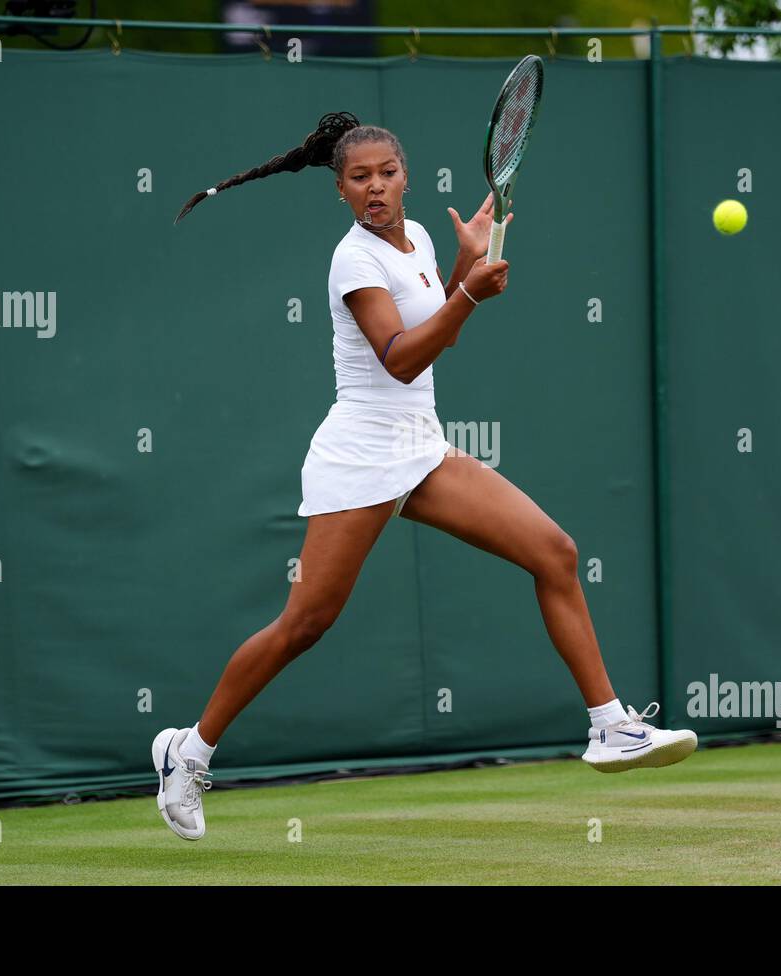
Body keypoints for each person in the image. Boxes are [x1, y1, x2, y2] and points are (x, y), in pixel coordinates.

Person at [154, 113, 696, 841]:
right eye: (358, 178)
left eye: (385, 172)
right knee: (305, 625)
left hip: (422, 448)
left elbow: (429, 336)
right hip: (361, 454)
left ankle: (609, 726)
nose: (374, 186)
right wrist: (470, 293)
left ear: (406, 175)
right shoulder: (352, 261)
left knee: (554, 552)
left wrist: (458, 271)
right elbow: (400, 358)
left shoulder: (419, 239)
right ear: (340, 191)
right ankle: (188, 753)